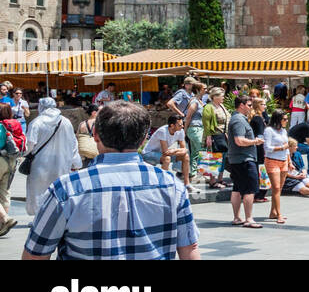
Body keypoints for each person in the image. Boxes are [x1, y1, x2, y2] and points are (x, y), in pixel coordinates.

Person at [22, 100, 200, 260]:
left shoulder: (66, 189)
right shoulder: (172, 185)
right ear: (144, 137)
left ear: (96, 134)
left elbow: (35, 254)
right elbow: (190, 249)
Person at [24, 97, 81, 217]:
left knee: (38, 192)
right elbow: (73, 143)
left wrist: (23, 154)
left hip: (39, 164)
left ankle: (38, 218)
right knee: (59, 191)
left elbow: (29, 144)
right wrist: (76, 162)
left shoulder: (37, 122)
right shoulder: (65, 121)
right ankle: (58, 216)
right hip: (62, 163)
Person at [226, 93, 264, 228]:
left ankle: (237, 218)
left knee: (237, 188)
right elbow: (239, 140)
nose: (250, 107)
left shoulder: (238, 119)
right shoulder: (239, 120)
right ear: (241, 105)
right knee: (249, 189)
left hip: (238, 159)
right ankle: (249, 219)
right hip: (244, 159)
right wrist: (255, 141)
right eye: (248, 105)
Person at [142, 114, 195, 191]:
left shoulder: (180, 131)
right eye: (180, 125)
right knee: (167, 158)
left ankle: (187, 184)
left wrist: (174, 150)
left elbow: (184, 149)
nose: (182, 126)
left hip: (162, 153)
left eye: (182, 124)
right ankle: (163, 184)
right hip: (148, 153)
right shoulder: (162, 131)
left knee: (185, 156)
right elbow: (166, 152)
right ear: (172, 125)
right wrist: (176, 151)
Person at [262, 110, 291, 224]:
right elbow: (267, 148)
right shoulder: (269, 130)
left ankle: (273, 212)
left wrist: (290, 161)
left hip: (283, 161)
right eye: (284, 119)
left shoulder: (284, 131)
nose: (286, 121)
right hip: (272, 161)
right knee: (276, 188)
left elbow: (288, 147)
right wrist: (281, 148)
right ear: (278, 120)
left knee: (279, 188)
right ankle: (279, 214)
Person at [0, 104, 24, 238]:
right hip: (12, 161)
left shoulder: (0, 126)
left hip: (0, 159)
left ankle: (5, 219)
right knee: (5, 192)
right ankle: (2, 225)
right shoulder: (16, 124)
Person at [202, 87, 231, 188]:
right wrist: (208, 136)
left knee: (222, 158)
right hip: (214, 135)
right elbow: (206, 123)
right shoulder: (209, 107)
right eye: (222, 96)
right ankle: (213, 181)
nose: (223, 97)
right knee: (214, 158)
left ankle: (220, 179)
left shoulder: (221, 106)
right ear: (215, 97)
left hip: (223, 135)